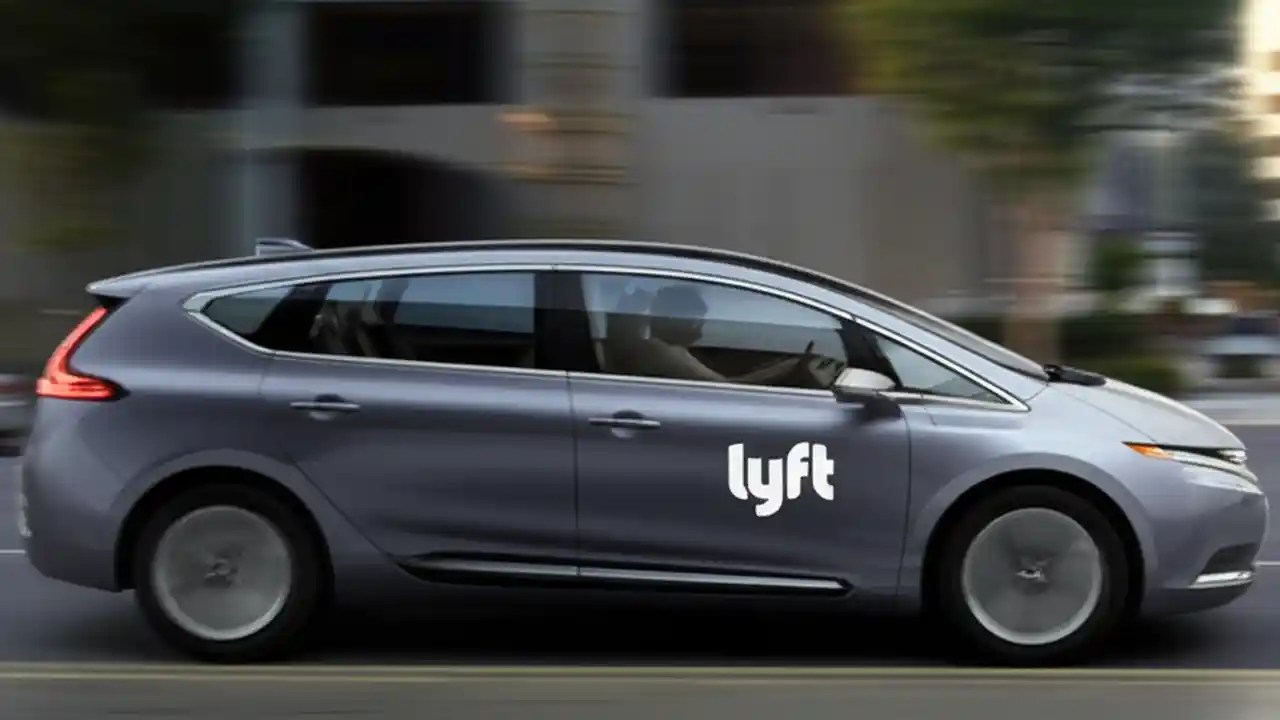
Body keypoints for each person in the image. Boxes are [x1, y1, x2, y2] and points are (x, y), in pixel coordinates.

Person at [627, 284, 816, 385]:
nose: (699, 333)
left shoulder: (661, 349)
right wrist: (788, 368)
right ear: (674, 319)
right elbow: (729, 387)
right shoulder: (663, 353)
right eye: (696, 322)